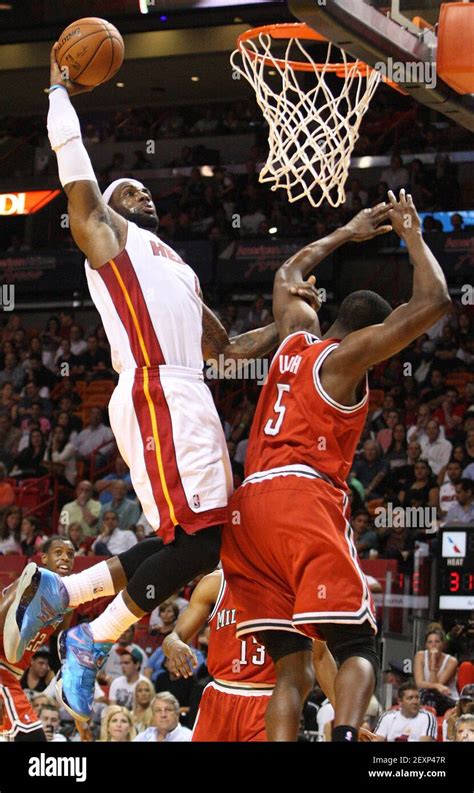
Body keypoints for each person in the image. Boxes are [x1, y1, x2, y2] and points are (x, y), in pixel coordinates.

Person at [5, 44, 319, 722]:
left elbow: (230, 345)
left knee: (203, 540)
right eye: (126, 190)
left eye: (145, 191)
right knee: (208, 545)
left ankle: (71, 594)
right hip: (154, 391)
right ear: (109, 210)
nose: (140, 192)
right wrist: (60, 95)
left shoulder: (179, 264)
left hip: (187, 395)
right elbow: (79, 181)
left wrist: (295, 323)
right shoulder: (109, 240)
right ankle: (91, 639)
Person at [221, 190, 451, 741]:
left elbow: (288, 272)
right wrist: (411, 234)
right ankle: (345, 736)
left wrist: (348, 230)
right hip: (301, 499)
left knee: (291, 668)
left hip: (247, 508)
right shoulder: (346, 360)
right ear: (370, 335)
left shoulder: (292, 340)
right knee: (357, 645)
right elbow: (435, 301)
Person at [162, 569, 337, 742]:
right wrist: (174, 645)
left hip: (272, 701)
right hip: (220, 698)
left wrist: (344, 715)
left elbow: (320, 657)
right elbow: (174, 636)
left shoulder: (298, 587)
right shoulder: (216, 583)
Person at [0, 536, 75, 740]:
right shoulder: (29, 582)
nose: (65, 558)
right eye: (58, 553)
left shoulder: (68, 598)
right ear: (43, 559)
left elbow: (60, 637)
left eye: (70, 555)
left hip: (13, 673)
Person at [413, 623, 458, 715]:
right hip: (426, 696)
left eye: (437, 642)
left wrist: (433, 663)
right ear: (426, 645)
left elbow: (436, 687)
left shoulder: (451, 661)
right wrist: (437, 686)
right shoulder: (420, 656)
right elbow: (419, 683)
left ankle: (429, 721)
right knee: (424, 695)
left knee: (430, 695)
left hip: (447, 698)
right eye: (430, 642)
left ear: (443, 644)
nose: (433, 645)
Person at [373, 682, 437, 742]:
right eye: (410, 698)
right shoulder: (387, 717)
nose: (415, 702)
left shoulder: (427, 717)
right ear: (400, 701)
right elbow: (377, 739)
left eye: (417, 697)